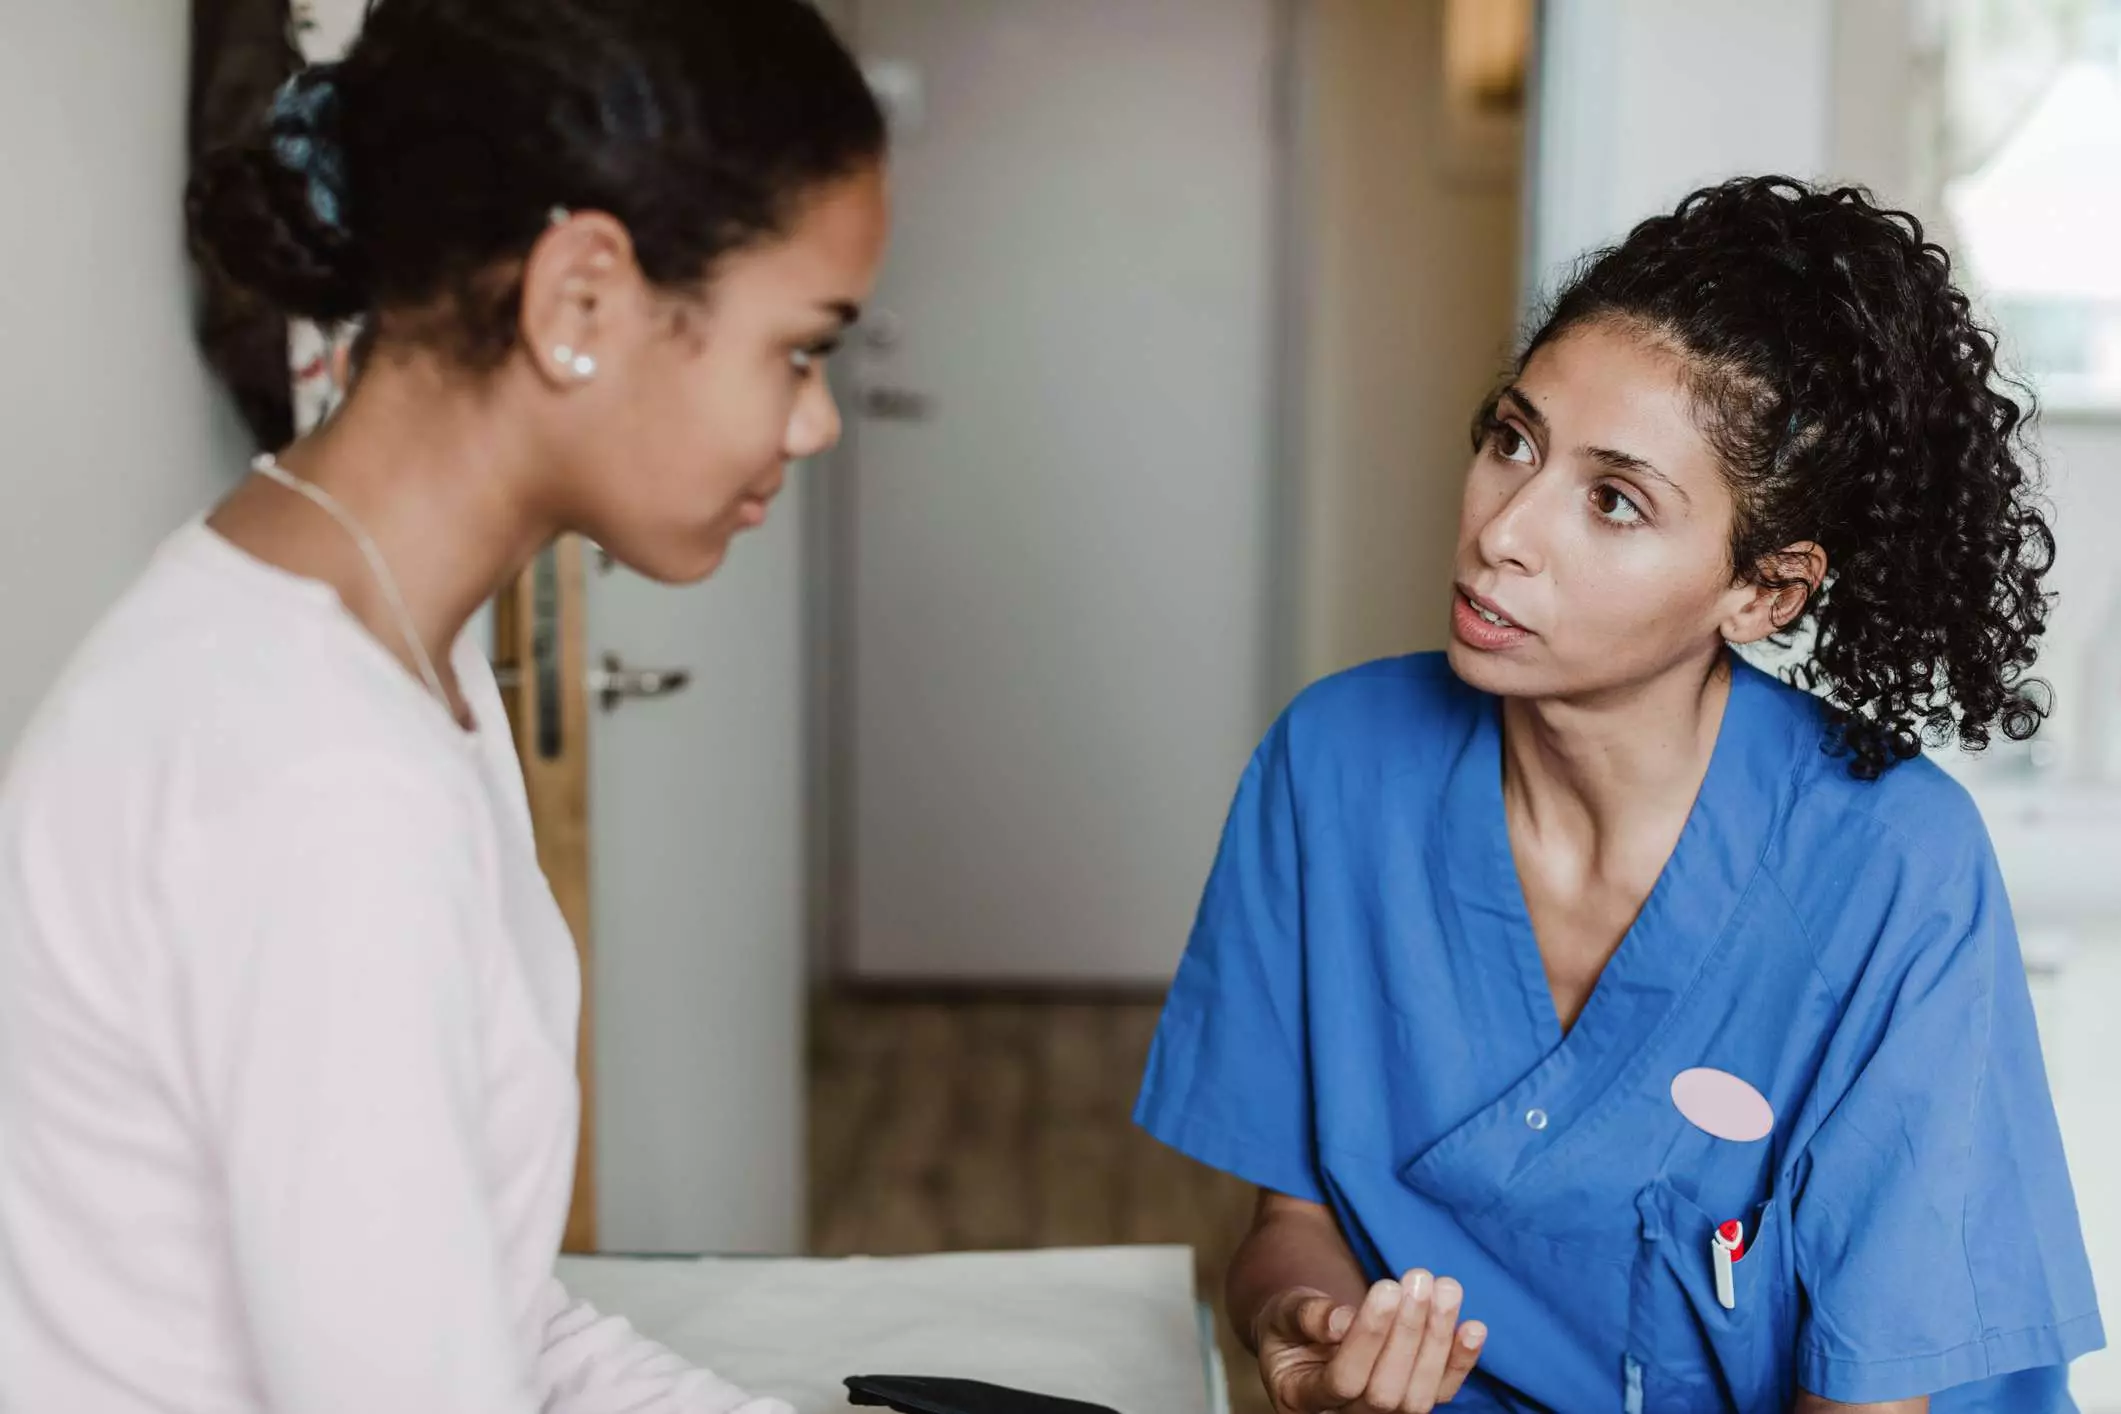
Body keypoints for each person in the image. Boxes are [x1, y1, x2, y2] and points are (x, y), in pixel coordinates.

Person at [0, 2, 887, 1410]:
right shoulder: (313, 774)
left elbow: (489, 1317)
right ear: (579, 298)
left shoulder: (395, 651)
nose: (815, 420)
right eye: (797, 347)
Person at [1136, 177, 2105, 1414]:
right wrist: (1306, 1344)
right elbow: (1291, 1223)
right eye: (1513, 441)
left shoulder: (1890, 864)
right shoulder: (1331, 768)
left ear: (1764, 591)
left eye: (1614, 500)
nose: (1505, 529)